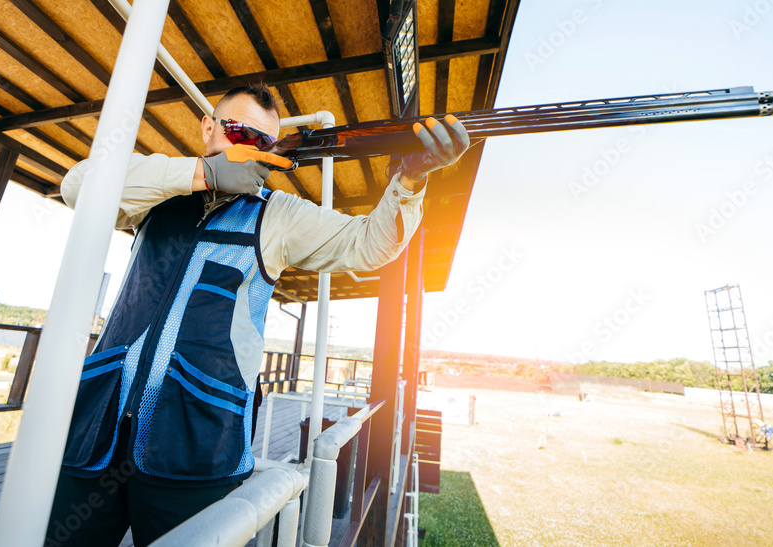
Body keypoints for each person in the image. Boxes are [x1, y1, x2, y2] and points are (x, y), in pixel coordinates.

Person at [46, 83, 469, 546]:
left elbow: (369, 245)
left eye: (263, 142)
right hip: (96, 433)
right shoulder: (160, 189)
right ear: (208, 127)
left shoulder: (278, 214)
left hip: (199, 446)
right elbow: (77, 186)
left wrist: (410, 180)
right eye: (237, 132)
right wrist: (204, 173)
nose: (250, 148)